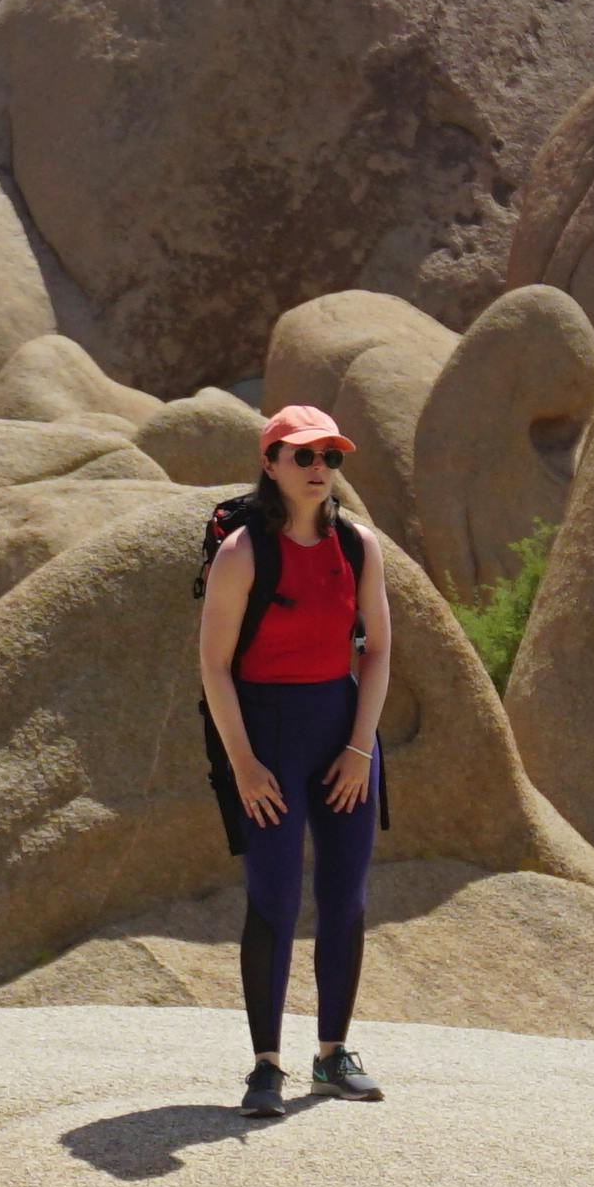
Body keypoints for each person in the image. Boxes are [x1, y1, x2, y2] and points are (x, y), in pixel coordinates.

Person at [193, 402, 397, 1121]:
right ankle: (265, 1067)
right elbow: (214, 667)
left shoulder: (360, 545)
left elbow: (377, 653)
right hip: (267, 739)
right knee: (273, 901)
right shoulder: (242, 553)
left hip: (341, 732)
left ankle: (333, 1053)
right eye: (304, 456)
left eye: (331, 457)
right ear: (271, 463)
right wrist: (244, 764)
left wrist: (358, 749)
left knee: (346, 899)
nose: (319, 470)